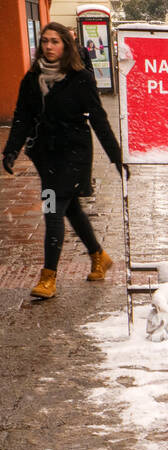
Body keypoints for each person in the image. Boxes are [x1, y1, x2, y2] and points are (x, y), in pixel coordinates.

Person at [2, 22, 123, 299]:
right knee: (71, 210)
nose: (48, 46)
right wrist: (11, 150)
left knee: (52, 209)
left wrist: (116, 157)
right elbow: (22, 117)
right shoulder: (33, 78)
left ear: (66, 46)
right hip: (47, 156)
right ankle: (98, 255)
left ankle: (48, 278)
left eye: (55, 41)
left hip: (74, 154)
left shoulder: (80, 78)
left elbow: (99, 120)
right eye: (45, 41)